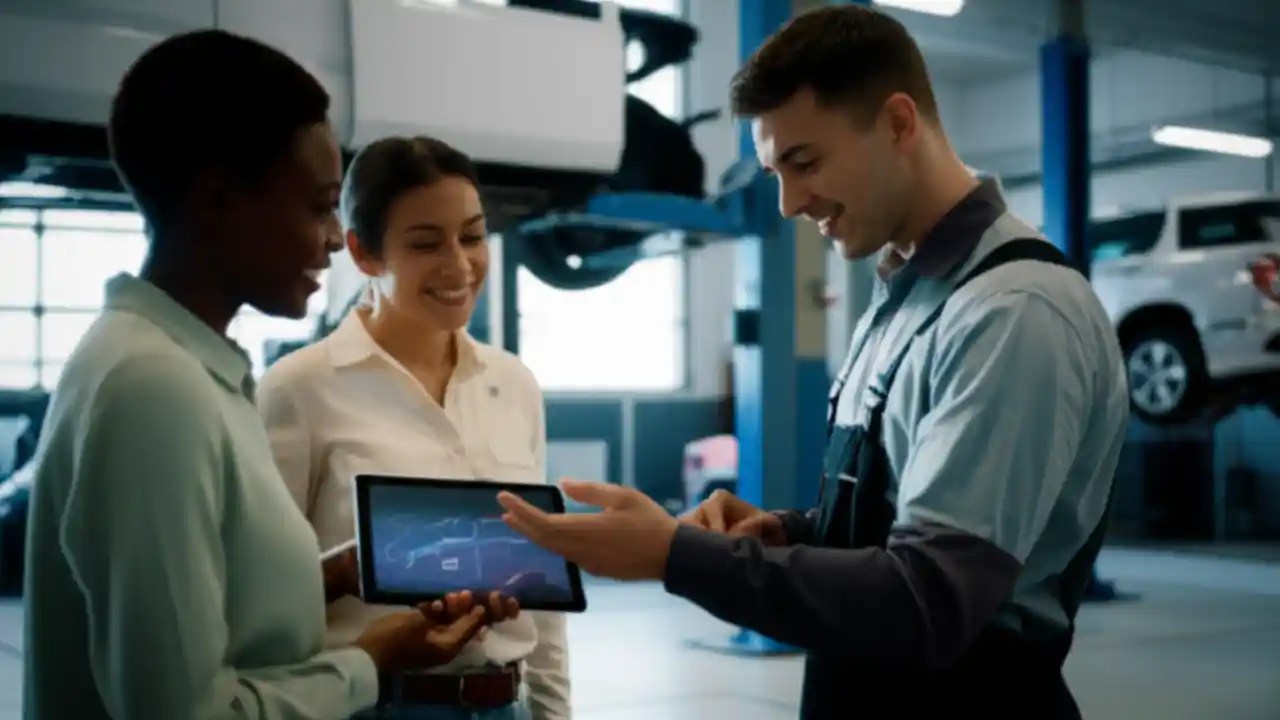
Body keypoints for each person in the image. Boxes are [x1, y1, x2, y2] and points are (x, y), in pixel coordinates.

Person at [495, 6, 1129, 719]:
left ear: (897, 123)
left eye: (804, 162)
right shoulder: (903, 293)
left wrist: (672, 553)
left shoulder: (1013, 313)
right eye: (774, 171)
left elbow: (930, 602)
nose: (791, 201)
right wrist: (792, 532)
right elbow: (902, 518)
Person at [21, 30, 518, 720]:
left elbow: (212, 613)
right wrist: (370, 662)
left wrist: (341, 574)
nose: (327, 240)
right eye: (316, 206)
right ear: (218, 199)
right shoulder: (153, 390)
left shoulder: (177, 368)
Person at [257, 135, 570, 720]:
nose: (460, 265)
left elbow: (543, 594)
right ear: (364, 252)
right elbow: (258, 597)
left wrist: (553, 712)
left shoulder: (513, 385)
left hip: (508, 704)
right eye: (427, 243)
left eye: (473, 236)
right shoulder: (298, 390)